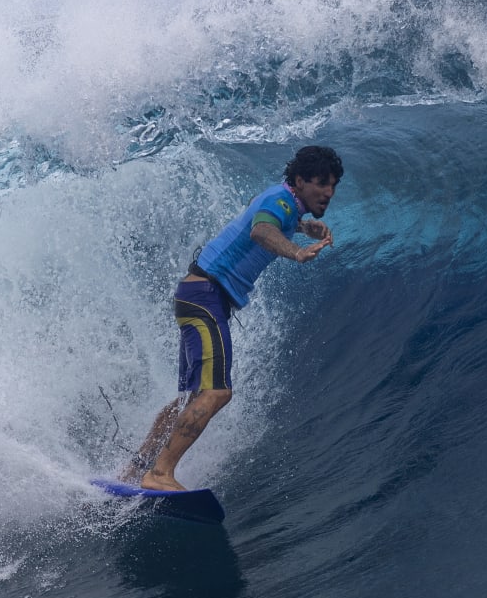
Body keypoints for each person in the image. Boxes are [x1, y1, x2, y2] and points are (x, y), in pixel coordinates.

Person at [124, 145, 343, 491]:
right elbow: (260, 231)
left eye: (333, 185)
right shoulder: (280, 203)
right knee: (217, 392)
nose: (328, 193)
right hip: (207, 297)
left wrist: (302, 229)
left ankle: (135, 469)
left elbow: (273, 221)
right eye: (320, 184)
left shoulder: (284, 203)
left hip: (197, 295)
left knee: (191, 398)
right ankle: (160, 473)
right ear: (299, 181)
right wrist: (297, 251)